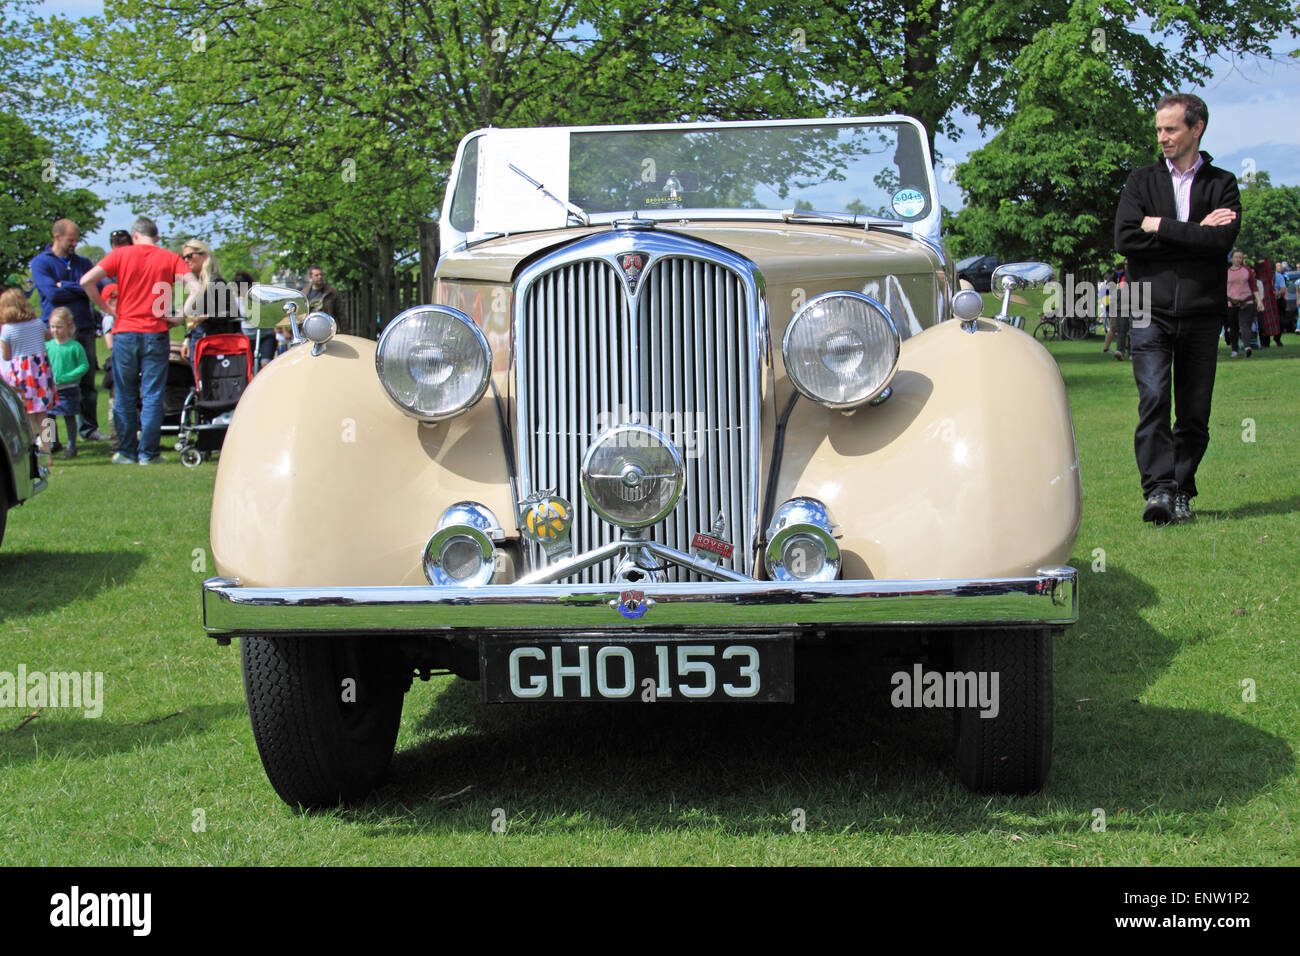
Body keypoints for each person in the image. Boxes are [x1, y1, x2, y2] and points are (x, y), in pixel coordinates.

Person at [1114, 92, 1240, 525]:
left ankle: (1182, 491)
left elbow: (1220, 243)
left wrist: (1162, 227)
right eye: (1159, 130)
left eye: (1170, 129)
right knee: (1152, 399)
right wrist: (1192, 233)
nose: (1162, 137)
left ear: (1196, 128)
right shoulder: (1140, 181)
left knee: (1193, 411)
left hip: (1203, 312)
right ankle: (1159, 492)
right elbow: (1126, 240)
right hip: (1147, 308)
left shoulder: (1222, 184)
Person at [79, 216, 200, 465]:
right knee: (153, 393)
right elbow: (196, 288)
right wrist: (180, 315)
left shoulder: (121, 255)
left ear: (135, 235)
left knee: (124, 394)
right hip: (155, 331)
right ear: (155, 236)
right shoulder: (170, 258)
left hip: (124, 331)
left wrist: (105, 308)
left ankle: (126, 451)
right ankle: (149, 453)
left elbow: (85, 281)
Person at [28, 219, 110, 443]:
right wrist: (83, 287)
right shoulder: (40, 263)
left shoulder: (83, 263)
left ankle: (89, 429)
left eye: (76, 239)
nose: (74, 243)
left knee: (86, 381)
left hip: (82, 327)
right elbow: (51, 294)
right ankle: (49, 440)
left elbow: (99, 288)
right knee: (47, 382)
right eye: (70, 239)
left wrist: (64, 285)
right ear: (57, 236)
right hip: (51, 331)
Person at [0, 288, 57, 470]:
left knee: (29, 416)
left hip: (23, 373)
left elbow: (7, 356)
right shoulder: (37, 323)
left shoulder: (7, 329)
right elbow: (48, 337)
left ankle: (34, 453)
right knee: (44, 415)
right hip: (41, 371)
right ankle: (48, 452)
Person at [44, 308, 90, 458]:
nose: (55, 330)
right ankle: (50, 444)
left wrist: (67, 376)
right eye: (52, 327)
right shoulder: (48, 346)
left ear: (69, 326)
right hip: (49, 389)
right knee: (48, 417)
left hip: (68, 389)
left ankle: (71, 446)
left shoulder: (74, 347)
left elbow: (84, 366)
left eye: (59, 327)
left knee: (69, 417)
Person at [1225, 250, 1260, 357]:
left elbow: (1254, 286)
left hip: (1246, 301)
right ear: (1231, 258)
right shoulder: (1227, 272)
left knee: (1244, 324)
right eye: (1236, 257)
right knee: (1233, 327)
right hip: (1231, 302)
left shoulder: (1247, 270)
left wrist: (1259, 301)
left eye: (1240, 257)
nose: (1238, 259)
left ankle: (1247, 347)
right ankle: (1234, 350)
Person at [1254, 257, 1282, 348]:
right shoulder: (1258, 277)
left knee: (1271, 321)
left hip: (1269, 299)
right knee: (1263, 322)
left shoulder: (1271, 276)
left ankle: (1275, 339)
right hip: (1262, 299)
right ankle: (1266, 342)